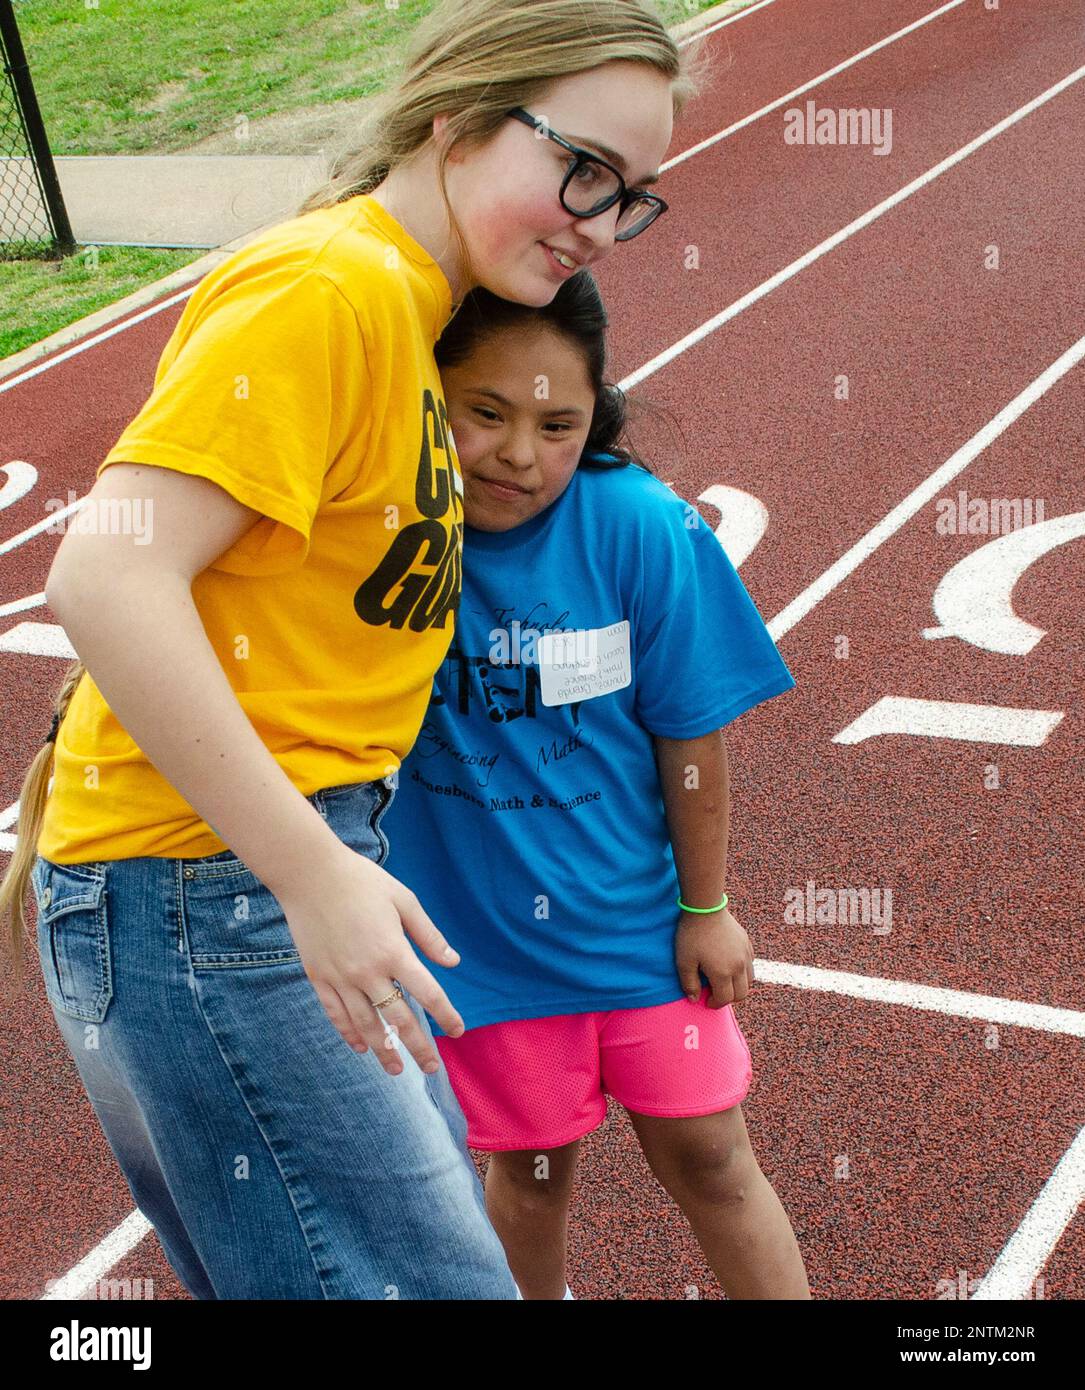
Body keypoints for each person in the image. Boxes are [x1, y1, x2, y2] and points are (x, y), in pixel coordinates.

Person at [0, 0, 711, 1299]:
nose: (601, 223)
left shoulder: (406, 308)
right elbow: (105, 574)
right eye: (582, 169)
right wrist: (313, 875)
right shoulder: (337, 287)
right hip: (216, 889)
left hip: (230, 881)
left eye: (633, 197)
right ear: (456, 117)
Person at [381, 268, 812, 1300]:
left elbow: (690, 732)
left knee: (710, 1156)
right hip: (474, 949)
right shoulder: (382, 525)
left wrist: (706, 908)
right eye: (480, 413)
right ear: (426, 396)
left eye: (557, 423)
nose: (518, 454)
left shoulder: (639, 526)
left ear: (596, 418)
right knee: (528, 1183)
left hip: (637, 931)